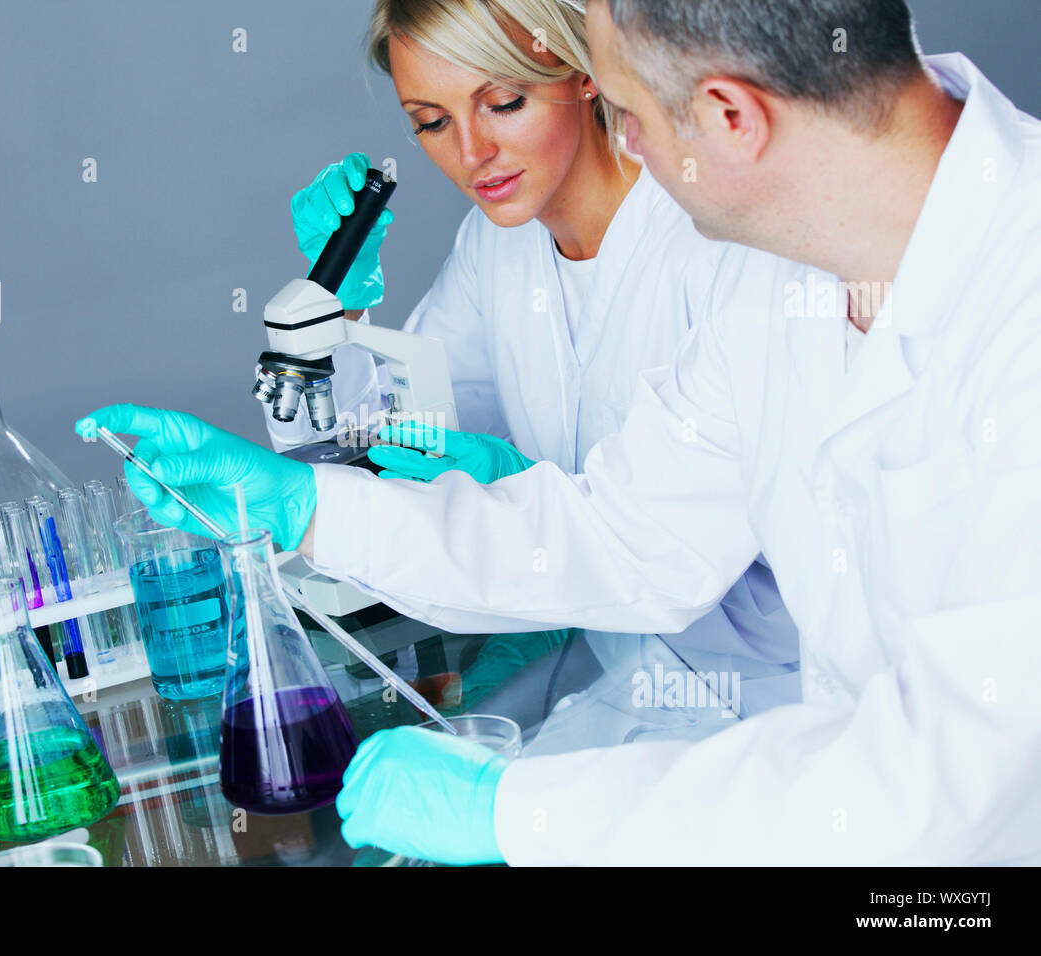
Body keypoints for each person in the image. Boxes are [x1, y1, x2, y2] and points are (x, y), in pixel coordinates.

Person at [79, 0, 1041, 865]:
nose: (621, 148)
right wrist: (306, 507)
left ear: (729, 119)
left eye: (624, 113)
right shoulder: (781, 274)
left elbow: (947, 789)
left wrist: (519, 815)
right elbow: (629, 538)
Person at [269, 0, 801, 748]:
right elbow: (392, 443)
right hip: (614, 681)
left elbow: (661, 555)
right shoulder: (498, 250)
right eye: (431, 121)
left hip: (782, 706)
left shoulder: (709, 237)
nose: (472, 151)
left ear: (585, 71)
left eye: (505, 102)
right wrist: (343, 322)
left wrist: (510, 476)